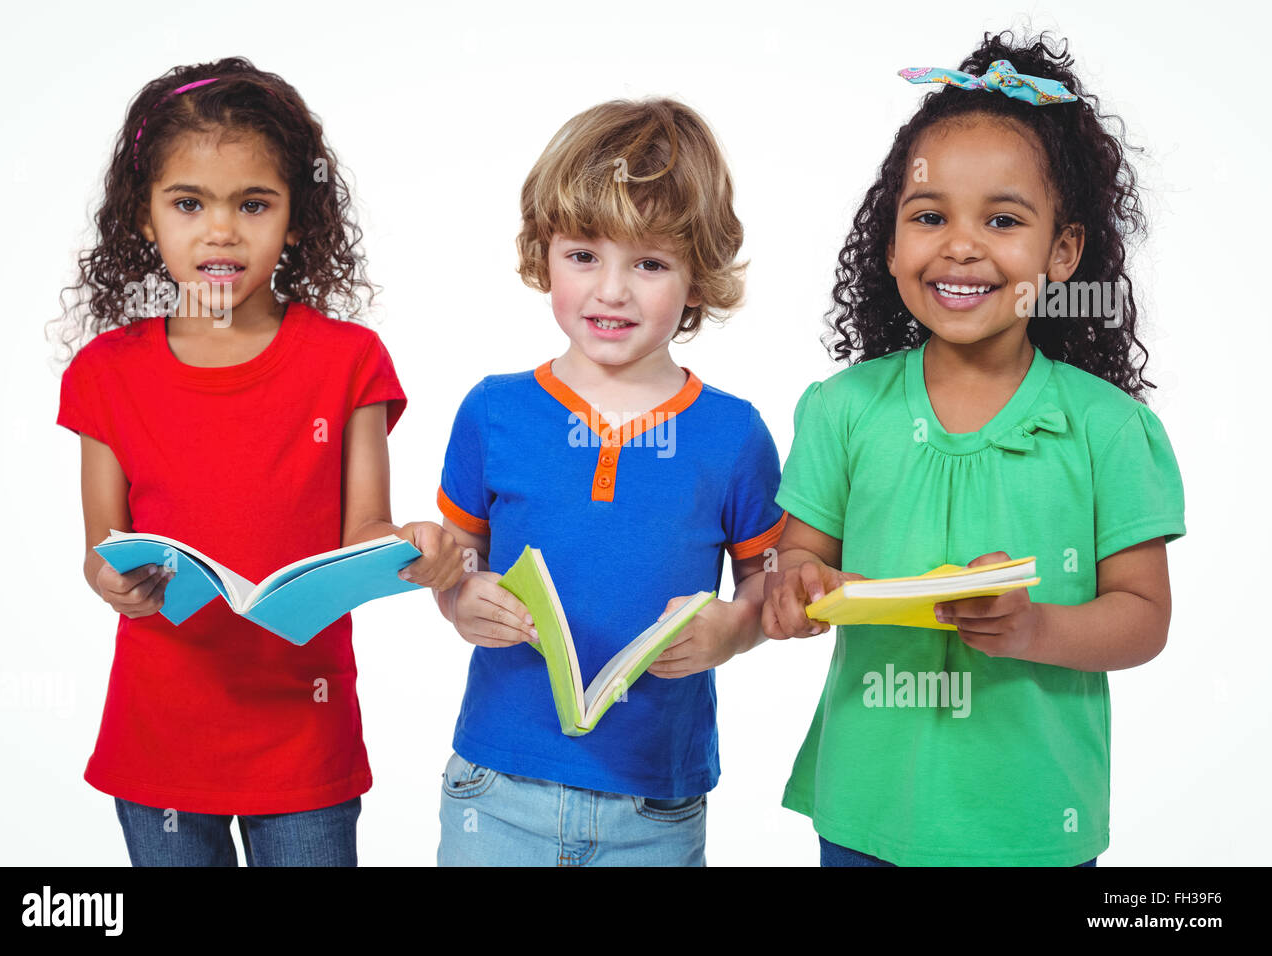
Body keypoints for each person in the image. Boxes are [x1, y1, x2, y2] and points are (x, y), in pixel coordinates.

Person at [762, 32, 1185, 866]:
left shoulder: (1108, 429)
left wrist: (1033, 629)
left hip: (1032, 825)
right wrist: (796, 587)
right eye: (929, 217)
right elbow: (796, 562)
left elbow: (1143, 618)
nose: (960, 245)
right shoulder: (841, 410)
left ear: (1063, 253)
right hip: (867, 815)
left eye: (1002, 219)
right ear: (890, 245)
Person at [52, 57, 463, 866]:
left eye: (254, 204)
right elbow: (104, 551)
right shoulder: (104, 374)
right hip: (160, 742)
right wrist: (118, 585)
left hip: (303, 738)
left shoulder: (349, 362)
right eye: (188, 203)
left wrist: (418, 545)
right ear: (144, 216)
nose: (220, 231)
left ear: (298, 217)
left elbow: (365, 532)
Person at [432, 97, 785, 866]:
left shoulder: (733, 435)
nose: (612, 291)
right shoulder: (494, 413)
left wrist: (734, 628)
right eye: (583, 254)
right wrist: (462, 598)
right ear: (543, 252)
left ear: (698, 276)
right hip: (494, 791)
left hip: (654, 806)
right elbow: (457, 555)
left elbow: (769, 583)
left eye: (650, 263)